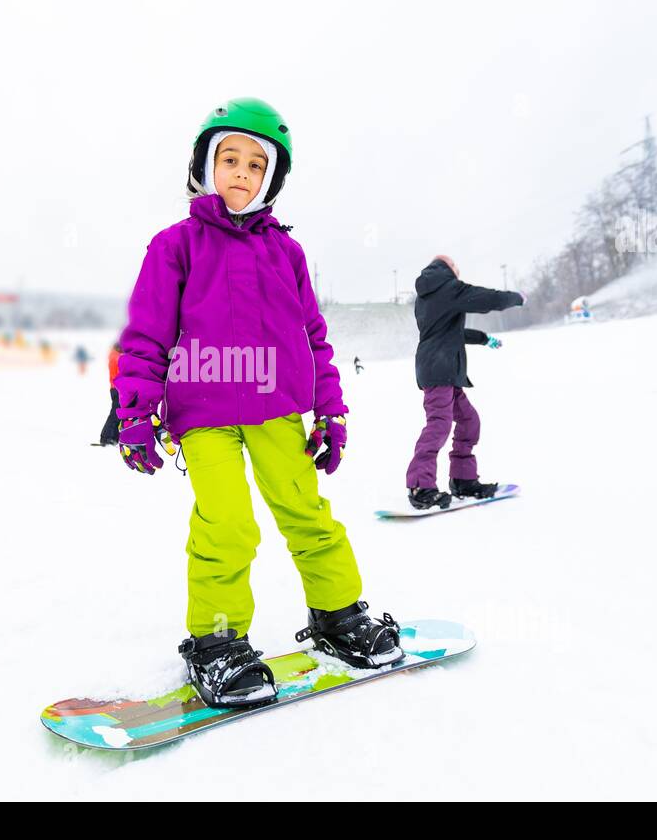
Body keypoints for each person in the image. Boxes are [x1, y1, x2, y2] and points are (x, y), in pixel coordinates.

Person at [115, 98, 403, 709]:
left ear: (271, 178)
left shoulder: (286, 253)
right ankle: (217, 643)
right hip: (202, 413)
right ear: (205, 165)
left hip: (279, 409)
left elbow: (314, 337)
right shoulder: (175, 246)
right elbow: (146, 335)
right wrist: (136, 413)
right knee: (228, 524)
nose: (241, 173)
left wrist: (332, 410)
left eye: (255, 164)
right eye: (230, 159)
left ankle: (338, 614)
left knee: (307, 512)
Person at [406, 255, 522, 510]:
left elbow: (448, 332)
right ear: (448, 268)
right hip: (439, 370)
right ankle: (419, 485)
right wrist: (514, 298)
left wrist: (482, 338)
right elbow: (485, 298)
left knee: (469, 421)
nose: (458, 272)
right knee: (439, 425)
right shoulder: (447, 287)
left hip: (443, 369)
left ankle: (463, 479)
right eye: (456, 268)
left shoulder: (429, 295)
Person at [99, 343, 122, 445]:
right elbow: (117, 374)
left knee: (118, 413)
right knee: (115, 413)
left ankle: (114, 436)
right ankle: (106, 437)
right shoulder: (115, 357)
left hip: (116, 388)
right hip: (117, 388)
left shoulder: (115, 356)